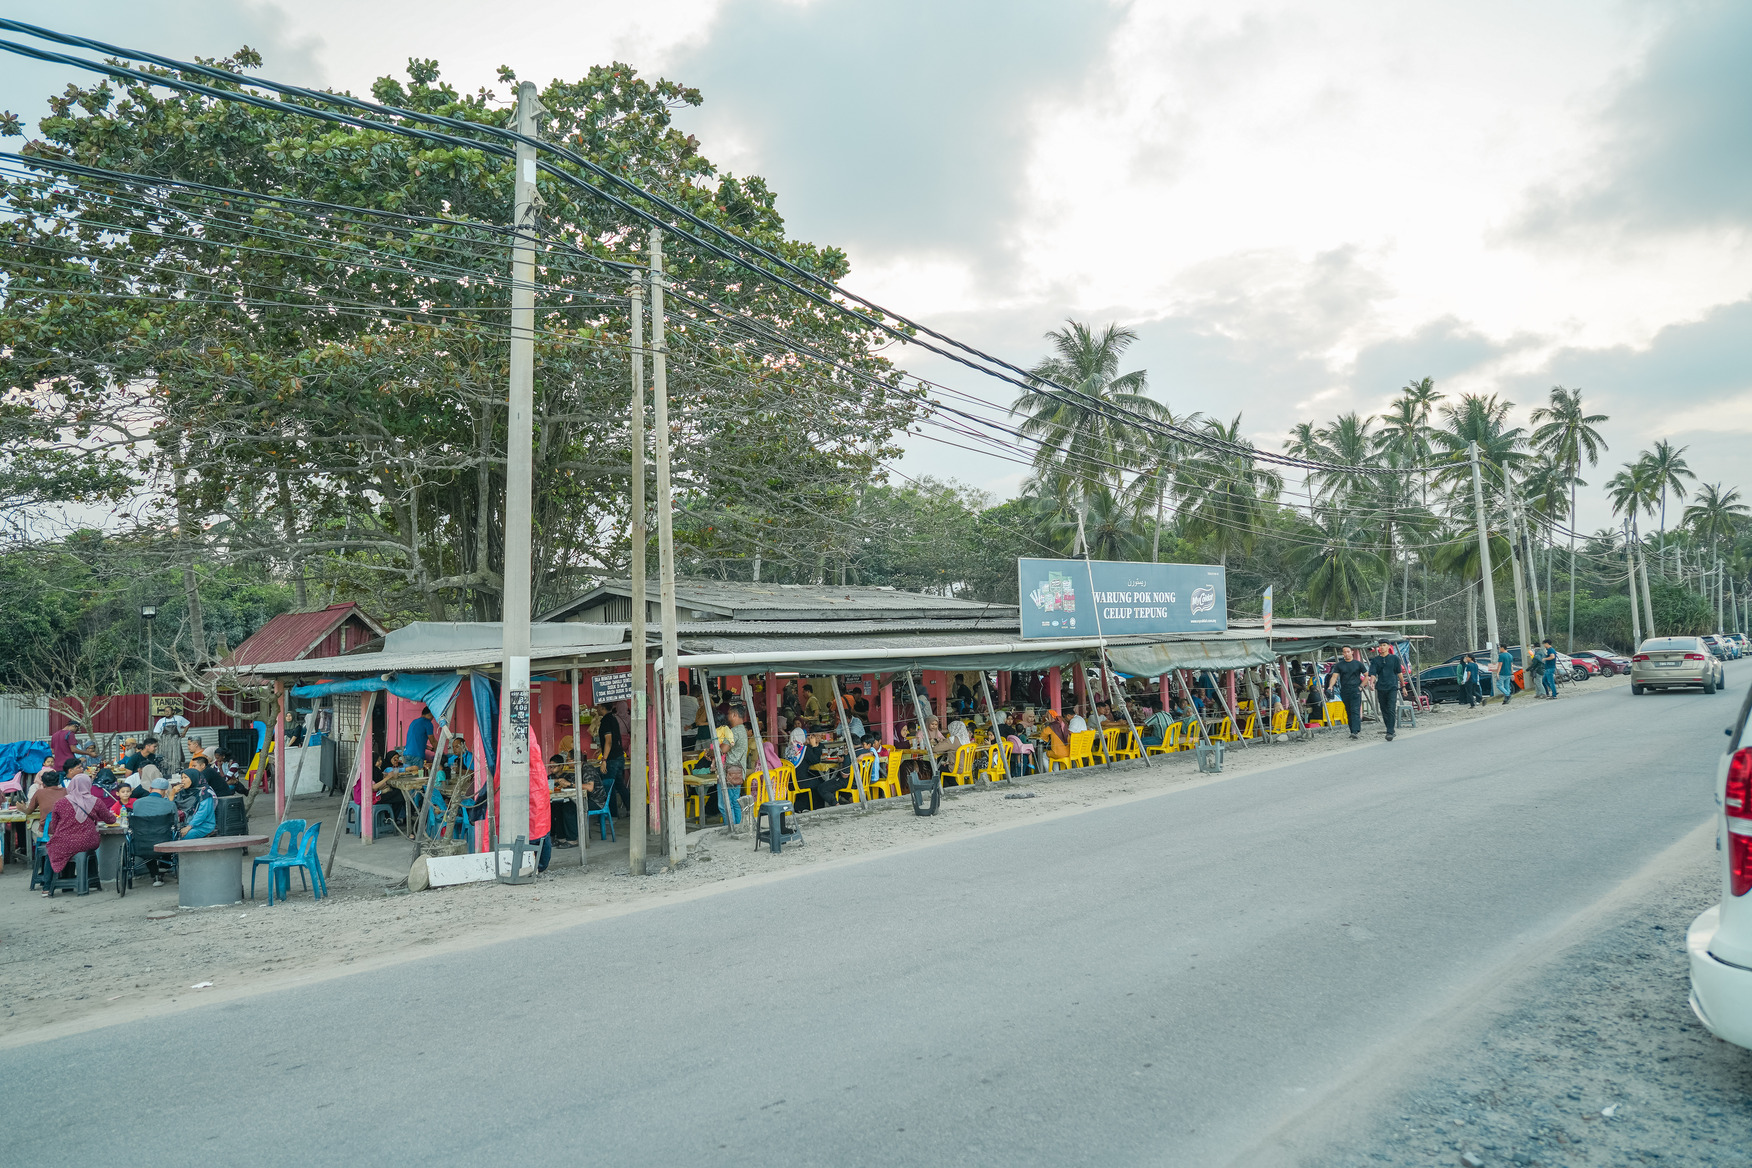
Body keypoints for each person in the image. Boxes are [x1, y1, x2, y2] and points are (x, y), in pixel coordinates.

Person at [43, 773, 119, 893]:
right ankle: (91, 881)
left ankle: (47, 888)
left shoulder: (60, 803)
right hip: (87, 841)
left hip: (64, 842)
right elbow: (110, 820)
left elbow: (54, 826)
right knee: (76, 849)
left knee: (51, 849)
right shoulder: (96, 801)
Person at [127, 777, 177, 885]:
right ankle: (164, 867)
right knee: (170, 834)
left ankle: (154, 873)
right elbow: (175, 824)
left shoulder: (137, 803)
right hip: (164, 842)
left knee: (146, 838)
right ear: (165, 792)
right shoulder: (170, 804)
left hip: (141, 843)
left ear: (150, 789)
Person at [595, 703, 628, 818]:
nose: (597, 708)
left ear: (603, 708)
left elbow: (608, 741)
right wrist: (602, 749)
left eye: (598, 706)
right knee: (620, 784)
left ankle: (612, 814)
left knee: (610, 786)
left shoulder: (605, 721)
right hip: (619, 755)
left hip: (612, 758)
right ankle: (629, 808)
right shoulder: (614, 719)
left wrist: (604, 759)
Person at [1369, 641, 1406, 742]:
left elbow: (1399, 673)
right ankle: (1389, 728)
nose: (1382, 647)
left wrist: (1403, 686)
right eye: (1380, 645)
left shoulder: (1394, 659)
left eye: (1384, 645)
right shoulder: (1375, 660)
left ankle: (1390, 731)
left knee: (1391, 708)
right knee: (1384, 709)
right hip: (1381, 687)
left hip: (1392, 687)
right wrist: (1371, 683)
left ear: (1388, 647)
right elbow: (1372, 674)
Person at [1331, 646, 1369, 740]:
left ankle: (1355, 731)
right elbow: (1334, 677)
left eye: (1348, 651)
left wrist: (1361, 686)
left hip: (1355, 689)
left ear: (1352, 652)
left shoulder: (1358, 664)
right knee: (1348, 711)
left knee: (1355, 710)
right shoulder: (1339, 665)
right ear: (1343, 653)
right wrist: (1330, 686)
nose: (1346, 653)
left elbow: (1367, 676)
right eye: (1344, 652)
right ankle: (1352, 730)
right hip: (1344, 690)